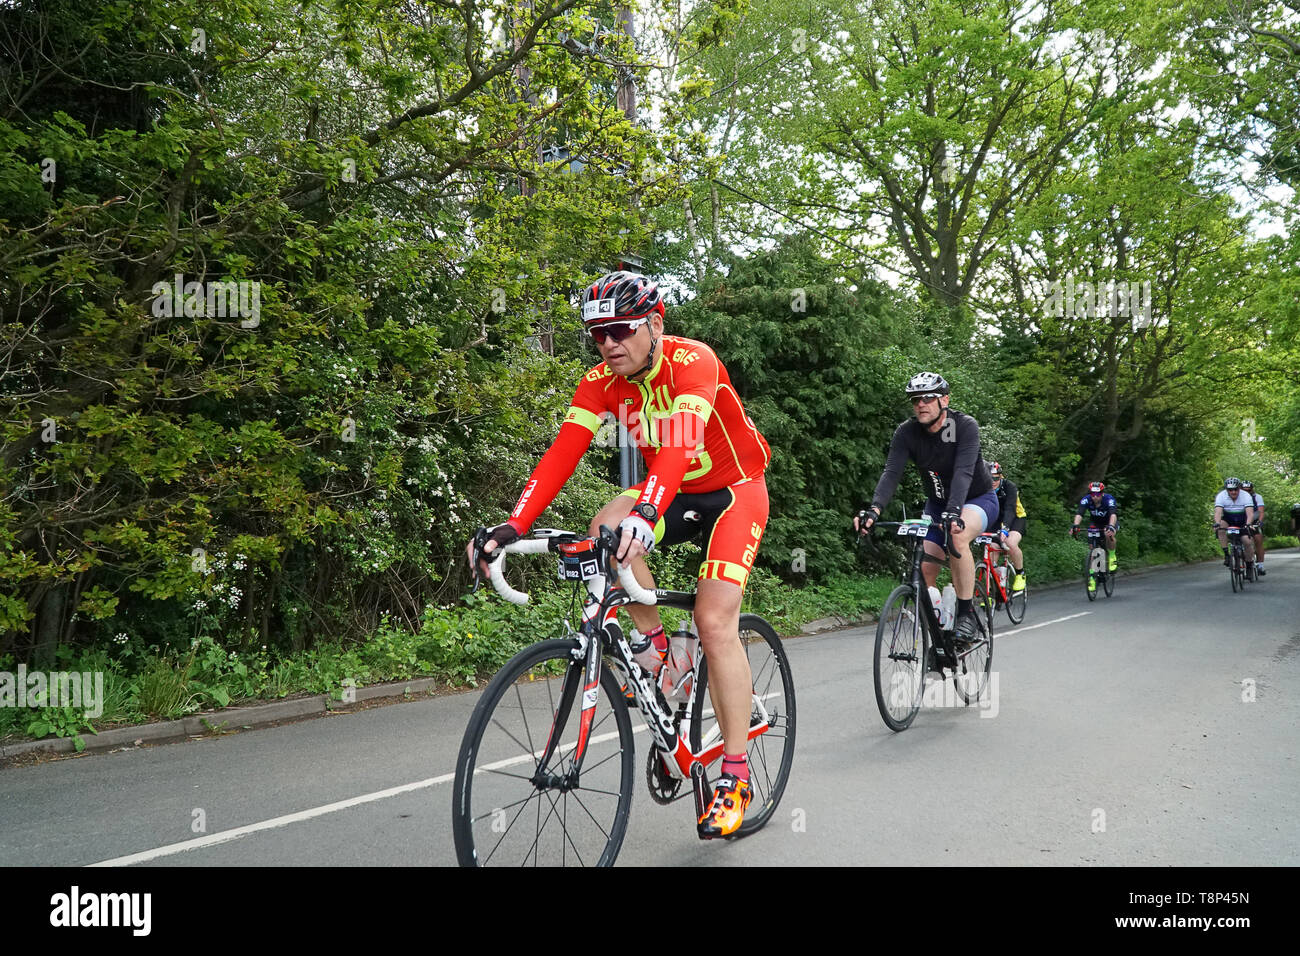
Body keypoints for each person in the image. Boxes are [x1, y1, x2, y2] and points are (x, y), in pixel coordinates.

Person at [465, 270, 772, 839]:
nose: (609, 344)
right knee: (604, 523)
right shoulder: (601, 381)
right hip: (674, 489)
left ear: (654, 324)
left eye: (621, 330)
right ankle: (658, 652)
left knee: (712, 621)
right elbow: (563, 452)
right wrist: (513, 525)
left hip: (734, 491)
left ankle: (734, 776)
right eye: (598, 333)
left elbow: (680, 445)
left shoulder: (694, 362)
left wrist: (648, 513)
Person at [853, 372, 997, 652]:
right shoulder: (907, 432)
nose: (921, 404)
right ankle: (940, 630)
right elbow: (892, 472)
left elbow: (963, 472)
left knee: (957, 538)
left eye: (928, 398)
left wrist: (954, 512)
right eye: (916, 399)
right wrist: (874, 510)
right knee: (926, 568)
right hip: (938, 504)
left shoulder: (964, 426)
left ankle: (966, 614)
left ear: (944, 399)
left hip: (977, 499)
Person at [1070, 482, 1118, 593]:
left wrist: (1111, 526)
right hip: (1096, 523)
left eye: (1098, 494)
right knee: (1093, 548)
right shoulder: (1086, 500)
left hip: (1109, 522)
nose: (1095, 497)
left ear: (1102, 493)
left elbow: (1113, 514)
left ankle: (1111, 556)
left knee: (1109, 534)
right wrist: (1076, 525)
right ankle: (1092, 576)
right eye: (1093, 494)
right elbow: (1080, 513)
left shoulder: (1109, 499)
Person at [989, 462, 1027, 593]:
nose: (993, 481)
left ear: (1001, 476)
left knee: (1010, 543)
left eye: (996, 478)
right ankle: (992, 587)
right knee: (991, 548)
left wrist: (1005, 529)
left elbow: (1010, 509)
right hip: (995, 519)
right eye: (990, 478)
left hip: (1016, 517)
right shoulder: (983, 488)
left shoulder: (1009, 486)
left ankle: (1020, 574)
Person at [1213, 477, 1257, 573]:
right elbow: (1218, 512)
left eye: (1235, 489)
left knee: (1247, 541)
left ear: (1239, 488)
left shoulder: (1246, 496)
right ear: (1226, 490)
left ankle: (1249, 566)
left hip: (1243, 519)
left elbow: (1250, 514)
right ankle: (1227, 555)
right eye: (1230, 490)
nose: (1233, 492)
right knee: (1220, 528)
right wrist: (1216, 523)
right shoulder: (1221, 496)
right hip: (1229, 518)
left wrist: (1248, 524)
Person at [1242, 480, 1265, 577]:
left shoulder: (1257, 497)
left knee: (1258, 539)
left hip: (1254, 520)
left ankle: (1260, 565)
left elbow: (1261, 511)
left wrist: (1259, 521)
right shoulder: (1237, 497)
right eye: (1244, 490)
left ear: (1252, 490)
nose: (1247, 492)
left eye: (1249, 490)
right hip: (1241, 519)